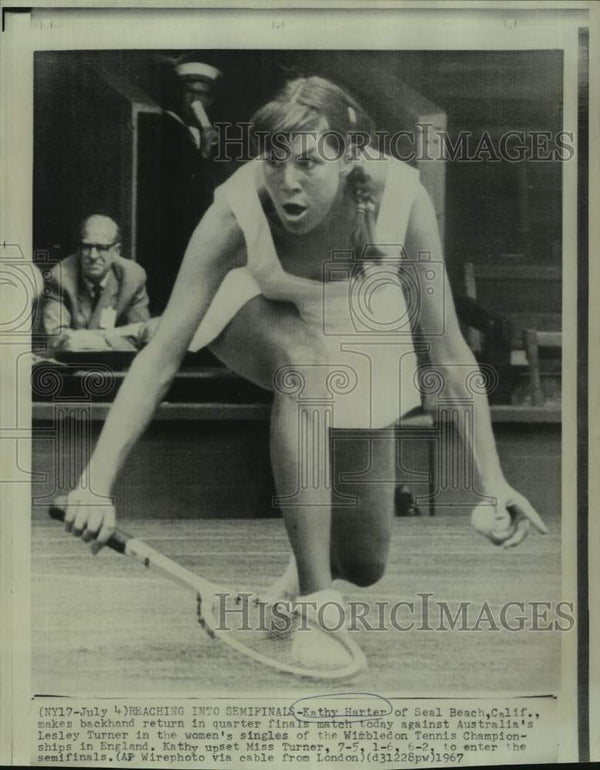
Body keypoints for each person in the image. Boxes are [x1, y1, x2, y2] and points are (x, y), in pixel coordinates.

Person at [59, 77, 546, 628]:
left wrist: (494, 482)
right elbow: (161, 358)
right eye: (274, 160)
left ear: (348, 158)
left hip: (358, 316)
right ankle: (318, 606)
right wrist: (94, 484)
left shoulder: (402, 200)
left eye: (309, 164)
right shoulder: (236, 209)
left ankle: (301, 577)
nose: (287, 184)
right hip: (254, 306)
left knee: (363, 563)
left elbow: (451, 353)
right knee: (305, 364)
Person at [142, 57, 231, 313]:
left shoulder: (211, 137)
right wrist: (202, 156)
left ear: (210, 101)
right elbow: (178, 189)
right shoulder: (165, 128)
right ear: (178, 94)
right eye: (188, 92)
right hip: (170, 236)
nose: (194, 101)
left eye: (201, 95)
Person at [42, 214, 154, 352]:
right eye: (87, 247)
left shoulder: (132, 276)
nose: (93, 256)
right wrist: (115, 337)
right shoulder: (59, 277)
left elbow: (142, 335)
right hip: (72, 365)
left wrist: (94, 340)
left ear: (116, 252)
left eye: (102, 248)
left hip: (117, 365)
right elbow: (55, 338)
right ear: (79, 249)